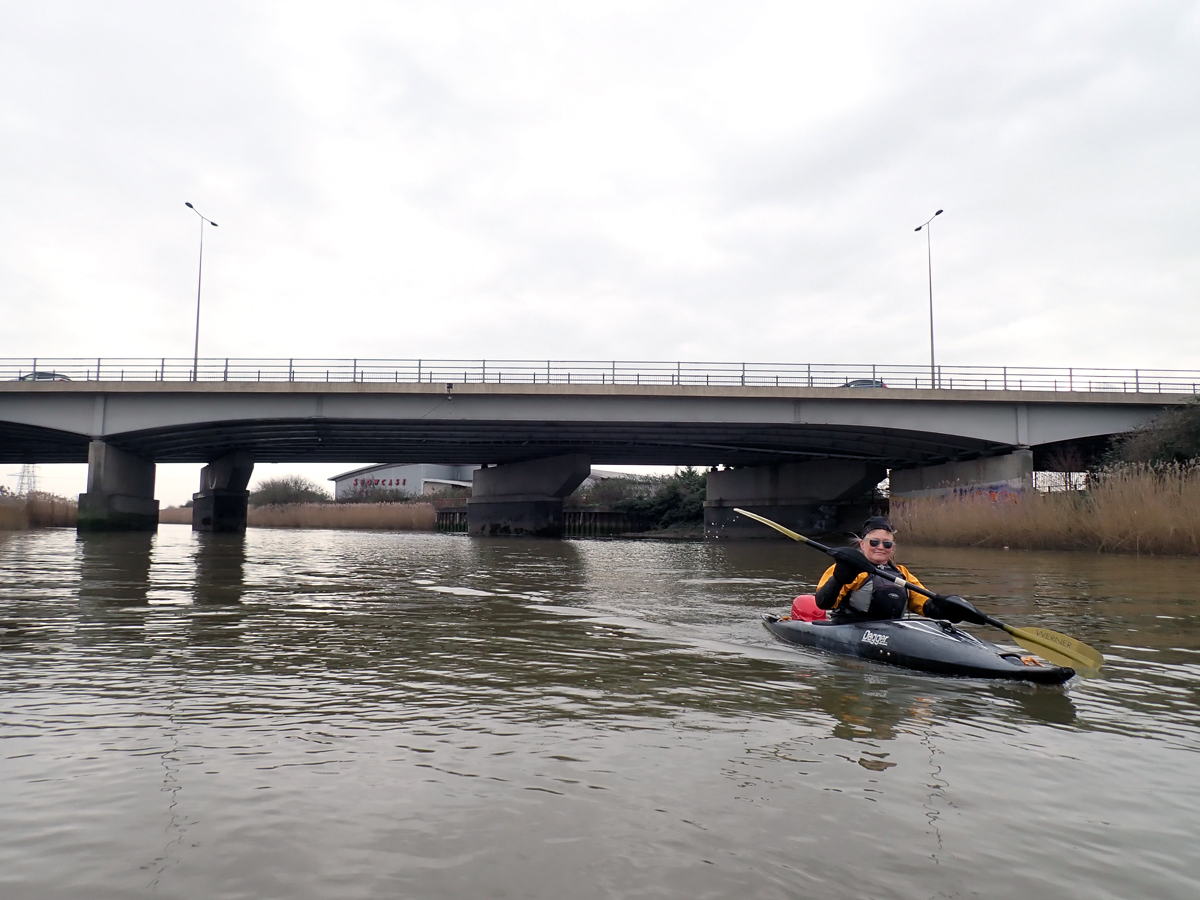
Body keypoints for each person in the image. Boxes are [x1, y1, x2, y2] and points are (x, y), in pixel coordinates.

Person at [814, 516, 972, 623]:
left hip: (892, 633)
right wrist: (838, 578)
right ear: (862, 544)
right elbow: (823, 603)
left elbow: (925, 604)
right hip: (852, 629)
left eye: (887, 544)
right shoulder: (846, 568)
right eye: (874, 542)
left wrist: (949, 611)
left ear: (893, 547)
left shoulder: (902, 573)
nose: (880, 547)